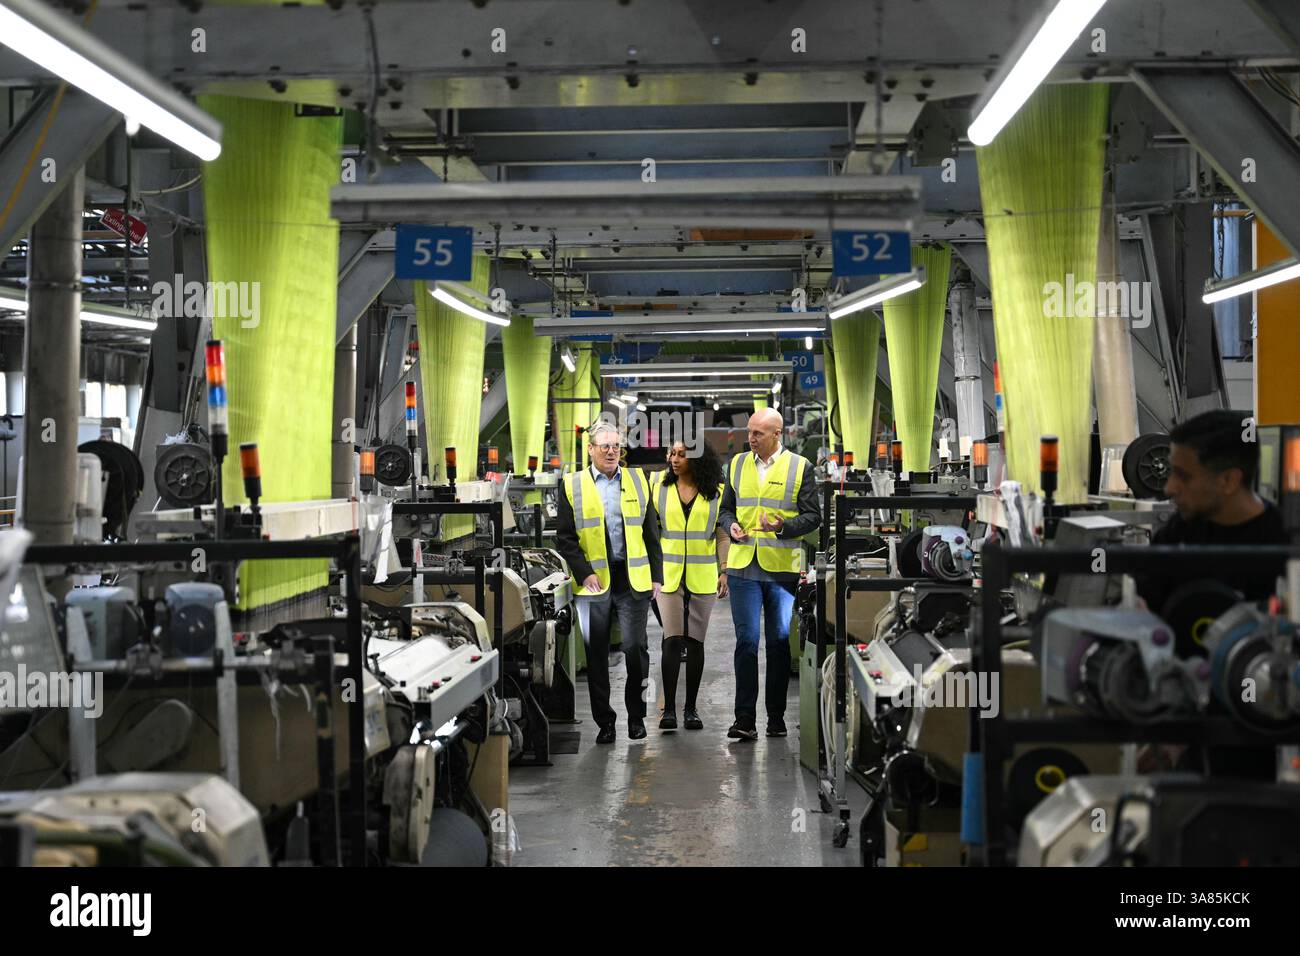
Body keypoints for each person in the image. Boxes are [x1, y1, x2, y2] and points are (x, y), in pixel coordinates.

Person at [555, 420, 663, 743]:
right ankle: (605, 721)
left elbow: (650, 531)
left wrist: (657, 575)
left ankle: (637, 718)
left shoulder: (637, 480)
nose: (612, 451)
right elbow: (565, 538)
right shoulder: (571, 484)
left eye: (616, 446)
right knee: (597, 654)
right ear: (590, 450)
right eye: (605, 446)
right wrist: (583, 572)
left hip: (632, 580)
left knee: (635, 649)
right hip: (593, 582)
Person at [719, 407, 820, 740]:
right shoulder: (735, 465)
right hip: (743, 565)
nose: (750, 438)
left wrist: (783, 527)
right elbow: (726, 510)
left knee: (778, 643)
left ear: (778, 434)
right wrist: (730, 525)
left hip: (782, 569)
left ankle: (775, 717)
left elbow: (812, 517)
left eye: (757, 433)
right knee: (746, 641)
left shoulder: (800, 467)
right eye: (749, 432)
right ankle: (745, 718)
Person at [1137, 409, 1289, 613]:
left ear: (1228, 481)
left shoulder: (1286, 548)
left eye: (1183, 476)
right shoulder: (1176, 534)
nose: (1169, 488)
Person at [651, 440, 730, 732]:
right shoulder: (657, 486)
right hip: (668, 575)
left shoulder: (717, 493)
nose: (674, 459)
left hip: (703, 574)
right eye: (671, 453)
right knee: (672, 639)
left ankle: (691, 709)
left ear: (697, 459)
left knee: (695, 642)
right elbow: (651, 531)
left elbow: (722, 537)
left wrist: (725, 570)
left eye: (682, 455)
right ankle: (669, 710)